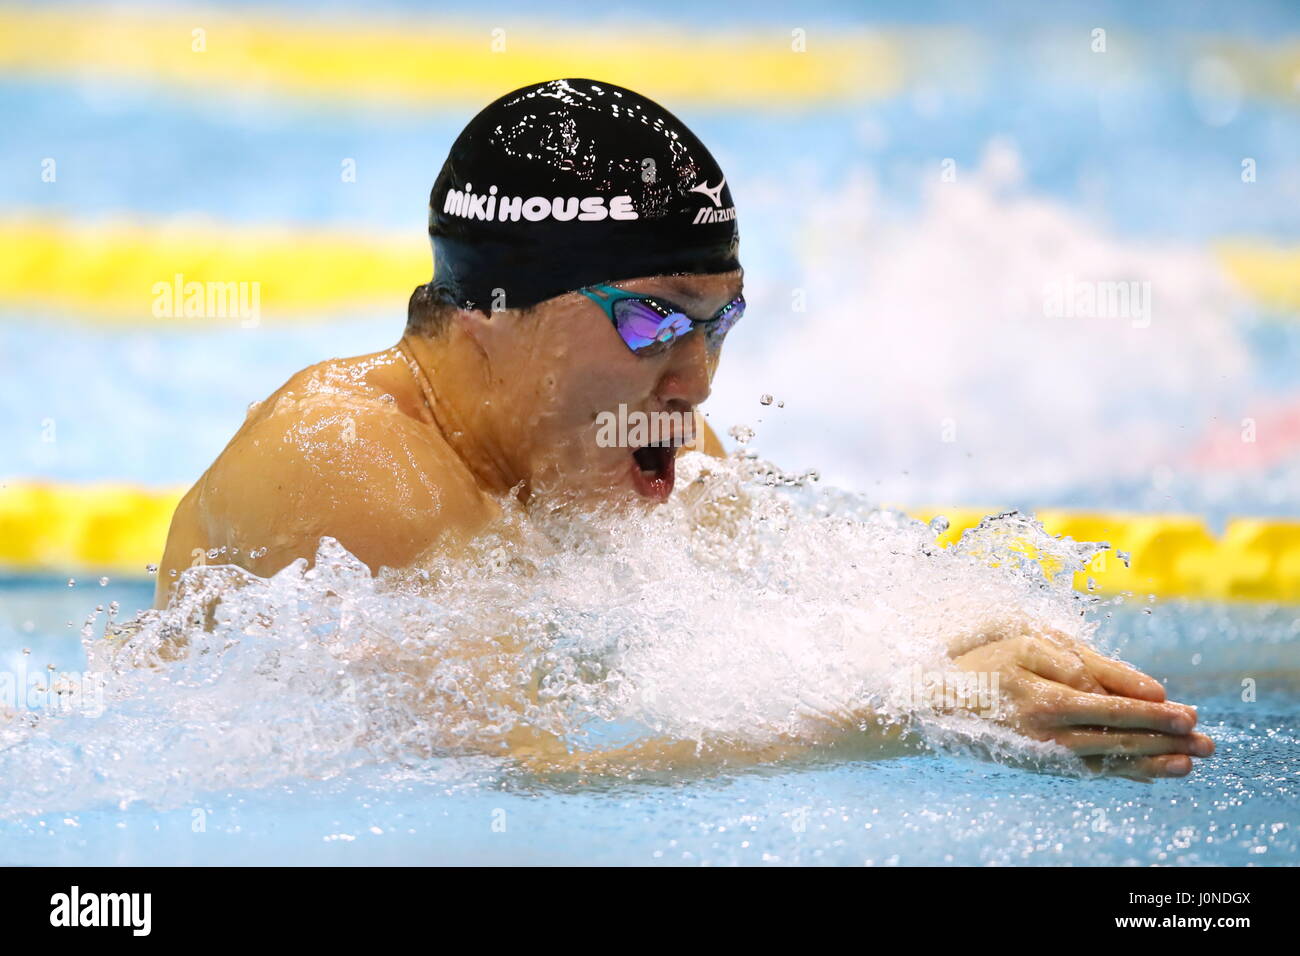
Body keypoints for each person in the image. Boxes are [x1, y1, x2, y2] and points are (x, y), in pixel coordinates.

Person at [155, 78, 1212, 778]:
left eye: (718, 322)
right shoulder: (352, 461)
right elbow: (526, 778)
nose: (697, 380)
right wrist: (911, 709)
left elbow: (793, 609)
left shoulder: (637, 444)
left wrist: (990, 653)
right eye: (652, 318)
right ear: (490, 313)